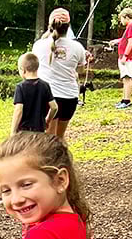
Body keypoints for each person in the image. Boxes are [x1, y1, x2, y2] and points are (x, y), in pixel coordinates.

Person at [32, 8, 89, 140]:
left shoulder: (39, 45)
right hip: (69, 97)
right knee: (59, 137)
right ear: (68, 27)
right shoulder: (78, 47)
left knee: (49, 137)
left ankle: (50, 160)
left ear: (50, 24)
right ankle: (61, 160)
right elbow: (80, 71)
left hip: (46, 96)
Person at [11, 52, 58, 133]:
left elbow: (19, 110)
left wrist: (13, 131)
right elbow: (54, 107)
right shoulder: (45, 85)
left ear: (23, 70)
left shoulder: (21, 87)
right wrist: (47, 120)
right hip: (39, 130)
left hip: (24, 131)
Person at [109, 8, 132, 110]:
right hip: (126, 57)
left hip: (128, 57)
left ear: (126, 17)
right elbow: (125, 39)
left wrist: (125, 56)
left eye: (121, 19)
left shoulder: (131, 26)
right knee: (125, 78)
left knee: (127, 78)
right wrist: (116, 41)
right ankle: (124, 99)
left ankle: (127, 101)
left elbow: (131, 42)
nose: (121, 21)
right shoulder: (131, 26)